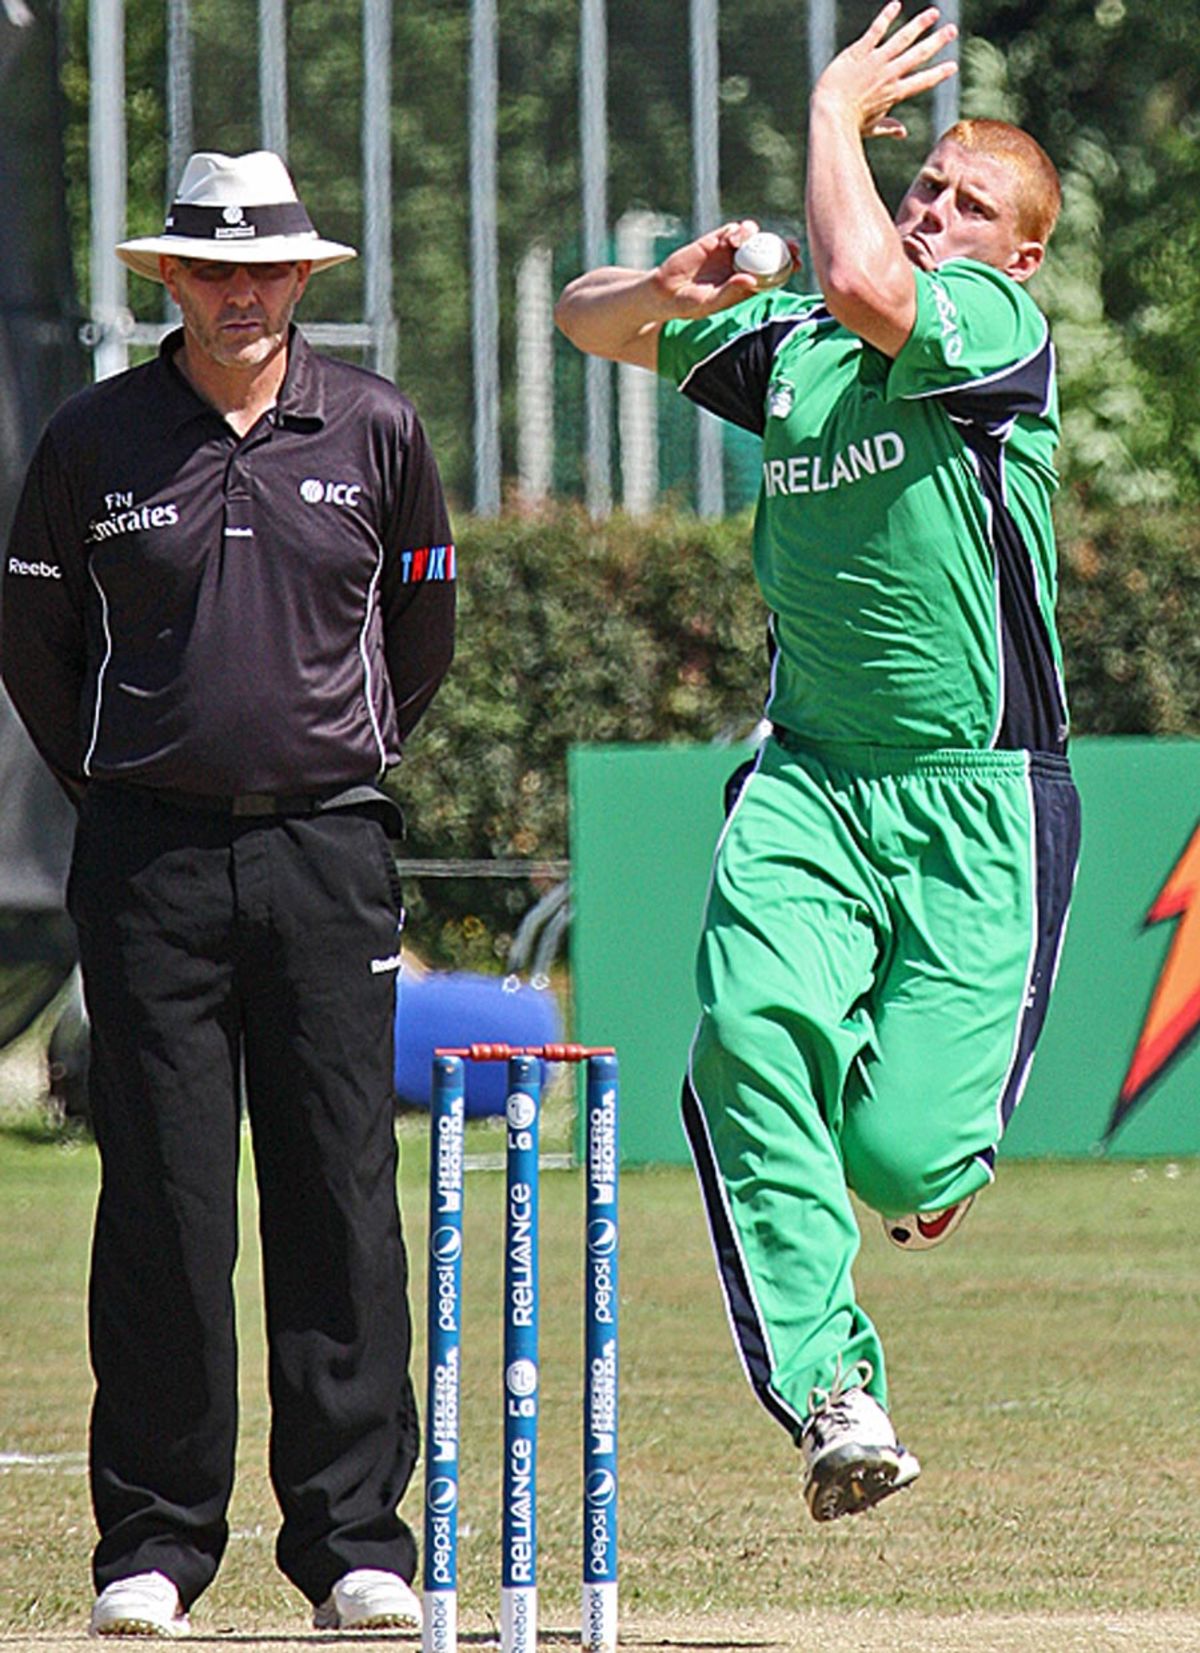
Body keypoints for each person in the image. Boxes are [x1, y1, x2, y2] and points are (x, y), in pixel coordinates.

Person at [556, 3, 1080, 1524]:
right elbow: (592, 322)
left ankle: (917, 1149)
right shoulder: (794, 354)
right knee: (744, 1028)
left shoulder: (993, 331)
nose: (932, 213)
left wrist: (835, 114)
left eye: (968, 205)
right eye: (927, 190)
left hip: (983, 792)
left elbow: (860, 271)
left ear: (1021, 255)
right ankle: (834, 1390)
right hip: (811, 778)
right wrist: (659, 287)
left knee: (909, 1155)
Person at [1, 149, 455, 1635]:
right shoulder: (93, 437)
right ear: (170, 280)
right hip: (149, 862)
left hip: (331, 850)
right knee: (166, 1208)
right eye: (215, 268)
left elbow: (421, 628)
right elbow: (36, 648)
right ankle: (154, 1544)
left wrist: (341, 756)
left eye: (268, 269)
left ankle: (352, 1543)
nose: (243, 292)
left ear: (303, 280)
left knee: (338, 1189)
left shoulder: (376, 426)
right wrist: (128, 785)